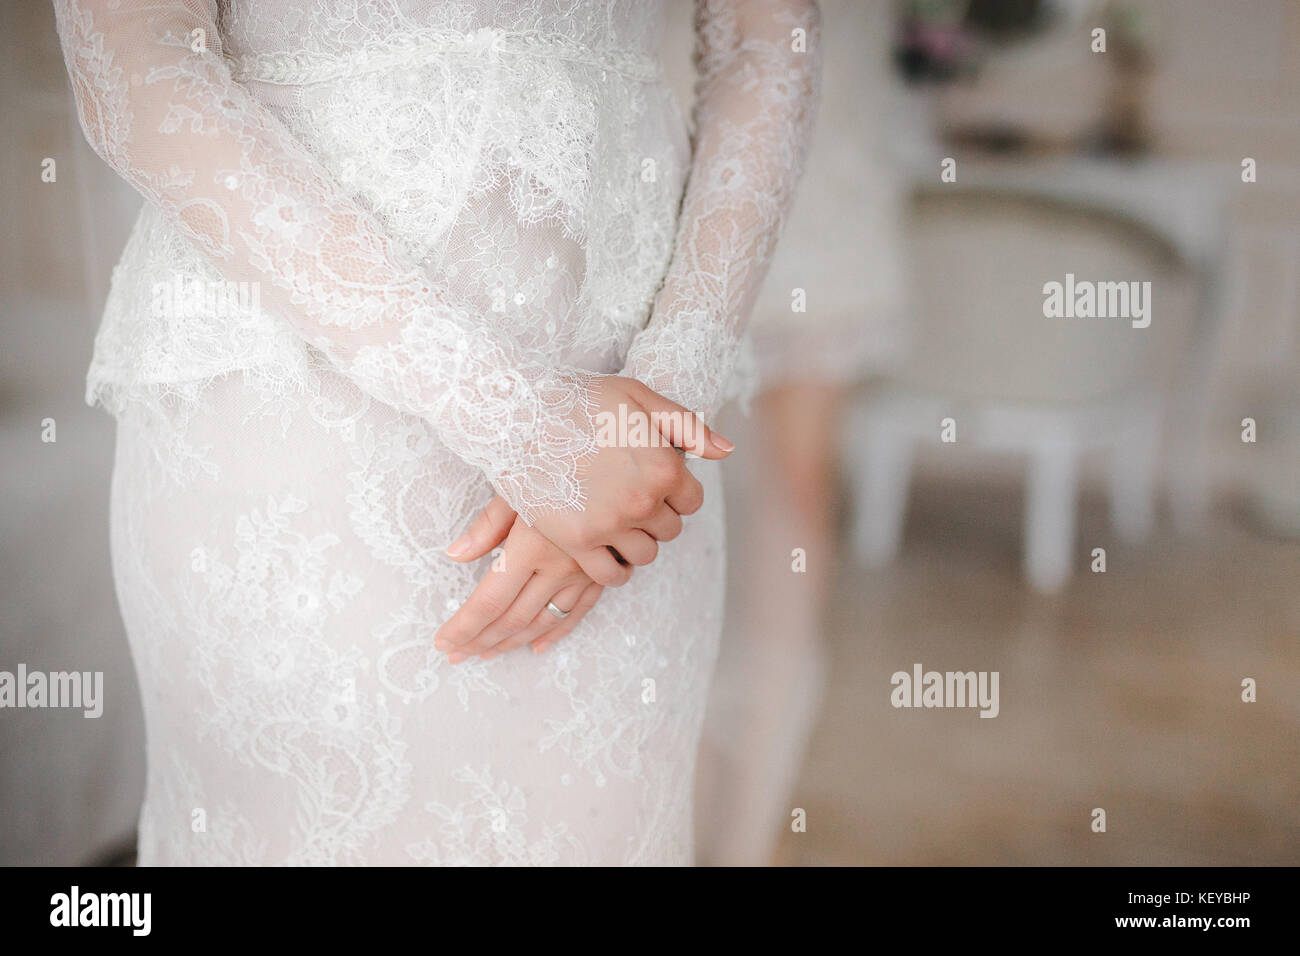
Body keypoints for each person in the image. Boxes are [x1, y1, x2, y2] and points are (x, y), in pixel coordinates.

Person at [55, 0, 819, 865]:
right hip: (290, 426)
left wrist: (669, 390)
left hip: (627, 454)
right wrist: (519, 419)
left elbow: (769, 41)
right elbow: (137, 70)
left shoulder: (642, 439)